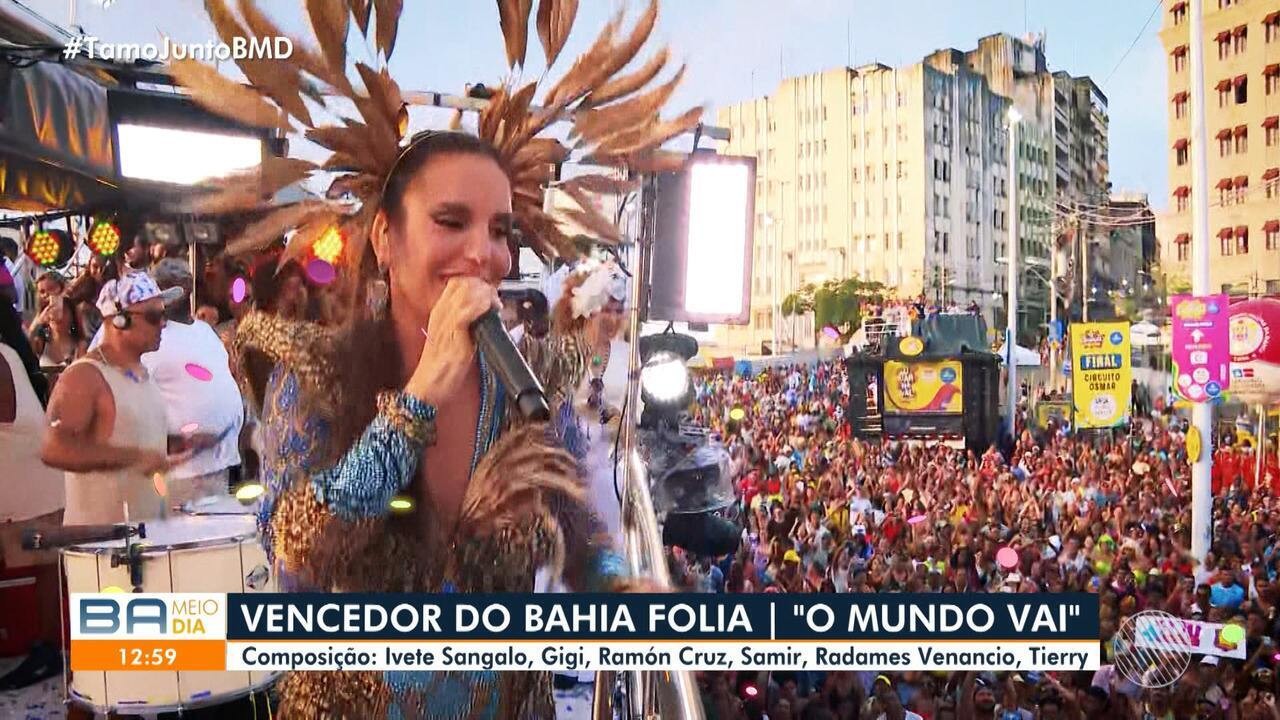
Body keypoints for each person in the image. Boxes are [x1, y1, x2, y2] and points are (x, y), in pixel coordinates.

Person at [40, 272, 192, 525]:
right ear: (119, 321)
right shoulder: (85, 376)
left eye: (163, 315)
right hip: (102, 550)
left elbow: (126, 436)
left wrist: (175, 443)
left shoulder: (141, 373)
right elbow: (53, 448)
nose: (163, 324)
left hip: (145, 539)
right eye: (154, 317)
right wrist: (134, 457)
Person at [89, 259, 244, 505]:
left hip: (220, 464)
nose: (175, 300)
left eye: (182, 289)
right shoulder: (136, 338)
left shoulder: (202, 330)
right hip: (175, 475)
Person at [0, 299, 63, 688]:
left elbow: (4, 413)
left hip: (24, 478)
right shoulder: (10, 350)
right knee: (43, 568)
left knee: (43, 566)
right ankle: (45, 651)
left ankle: (45, 651)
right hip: (29, 476)